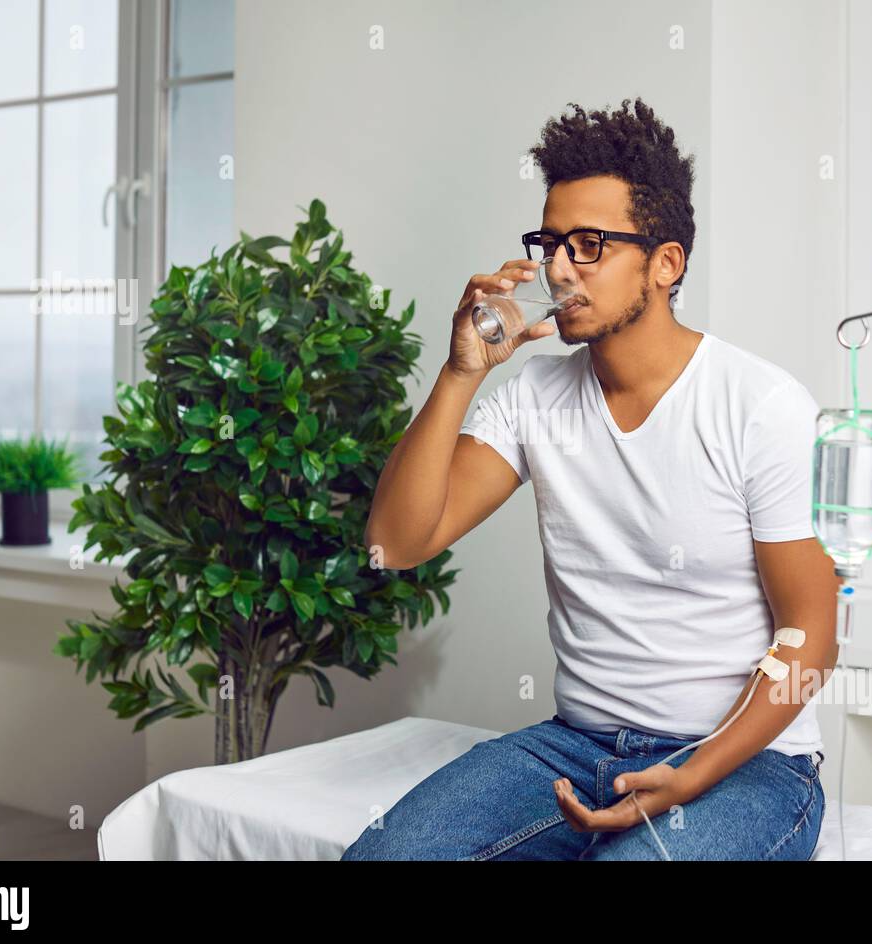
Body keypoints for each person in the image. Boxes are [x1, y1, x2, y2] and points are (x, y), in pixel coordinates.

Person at [343, 98, 837, 861]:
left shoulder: (760, 404)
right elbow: (395, 544)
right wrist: (458, 372)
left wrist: (692, 771)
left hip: (748, 764)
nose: (557, 268)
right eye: (550, 242)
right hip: (575, 746)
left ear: (665, 264)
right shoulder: (533, 398)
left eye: (589, 244)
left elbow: (811, 635)